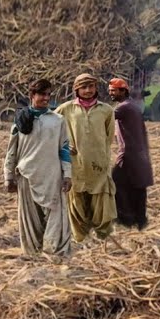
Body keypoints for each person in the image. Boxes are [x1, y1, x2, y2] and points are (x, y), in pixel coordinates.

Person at [5, 79, 73, 257]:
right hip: (27, 175)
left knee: (56, 214)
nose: (46, 98)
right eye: (42, 94)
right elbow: (11, 152)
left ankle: (52, 251)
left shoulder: (57, 121)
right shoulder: (21, 121)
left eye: (49, 94)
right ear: (32, 96)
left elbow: (64, 149)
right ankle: (33, 253)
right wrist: (8, 177)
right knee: (30, 219)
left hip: (52, 176)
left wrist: (67, 175)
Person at [55, 73, 117, 243]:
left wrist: (100, 153)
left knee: (101, 201)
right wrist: (63, 145)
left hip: (99, 163)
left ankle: (103, 238)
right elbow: (51, 129)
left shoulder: (106, 110)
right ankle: (80, 238)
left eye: (91, 86)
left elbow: (109, 136)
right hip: (75, 164)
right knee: (76, 200)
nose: (88, 90)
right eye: (84, 87)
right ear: (77, 89)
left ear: (96, 88)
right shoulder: (65, 109)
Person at [109, 77, 153, 231]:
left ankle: (125, 219)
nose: (111, 94)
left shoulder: (124, 107)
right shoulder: (132, 106)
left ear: (123, 91)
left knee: (114, 184)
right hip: (138, 155)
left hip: (129, 155)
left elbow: (104, 116)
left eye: (114, 91)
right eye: (110, 91)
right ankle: (139, 220)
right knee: (136, 187)